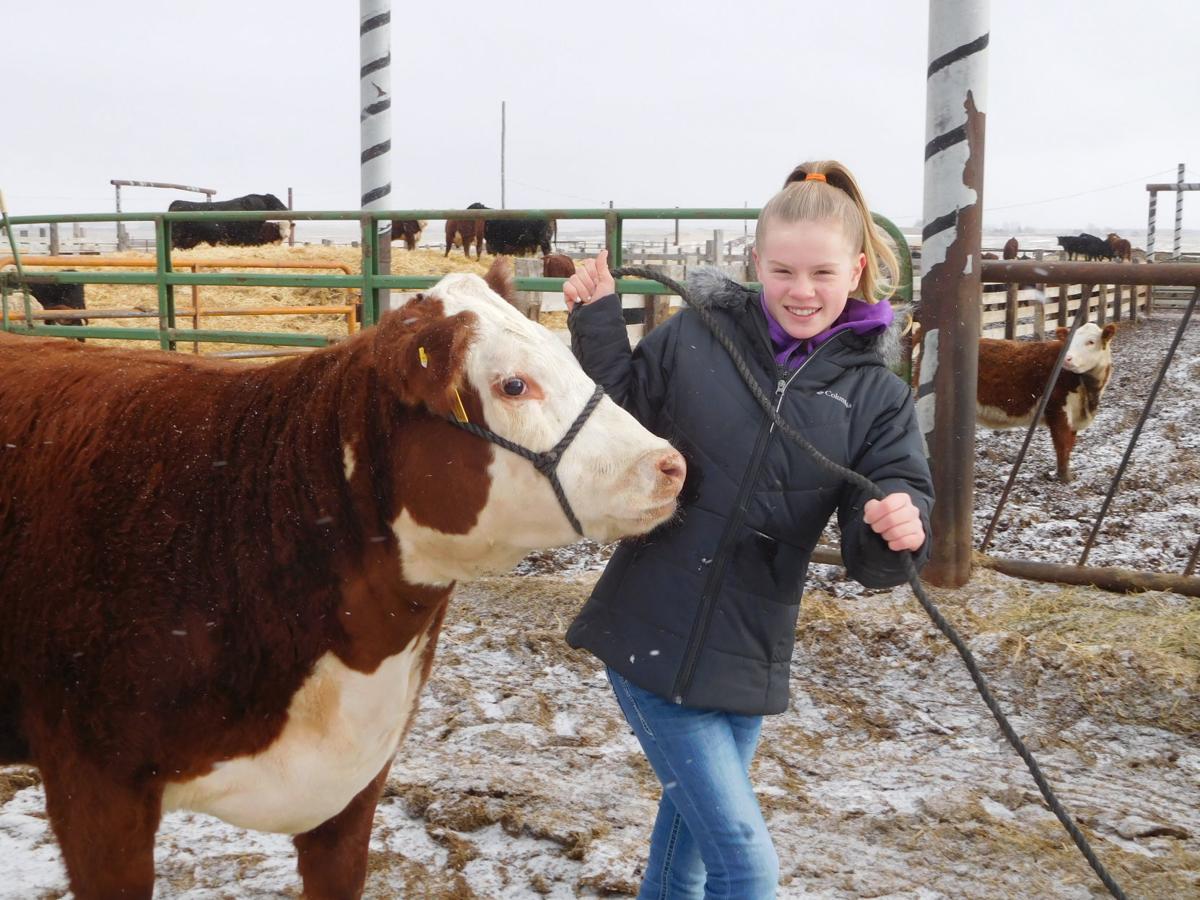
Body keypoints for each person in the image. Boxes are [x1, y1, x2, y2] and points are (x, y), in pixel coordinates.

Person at [562, 160, 934, 899]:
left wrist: (900, 524)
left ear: (857, 268)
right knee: (746, 863)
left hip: (748, 654)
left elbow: (886, 524)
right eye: (783, 270)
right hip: (645, 632)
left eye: (823, 272)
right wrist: (596, 318)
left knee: (688, 856)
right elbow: (619, 421)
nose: (802, 291)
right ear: (754, 263)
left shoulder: (876, 395)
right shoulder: (698, 337)